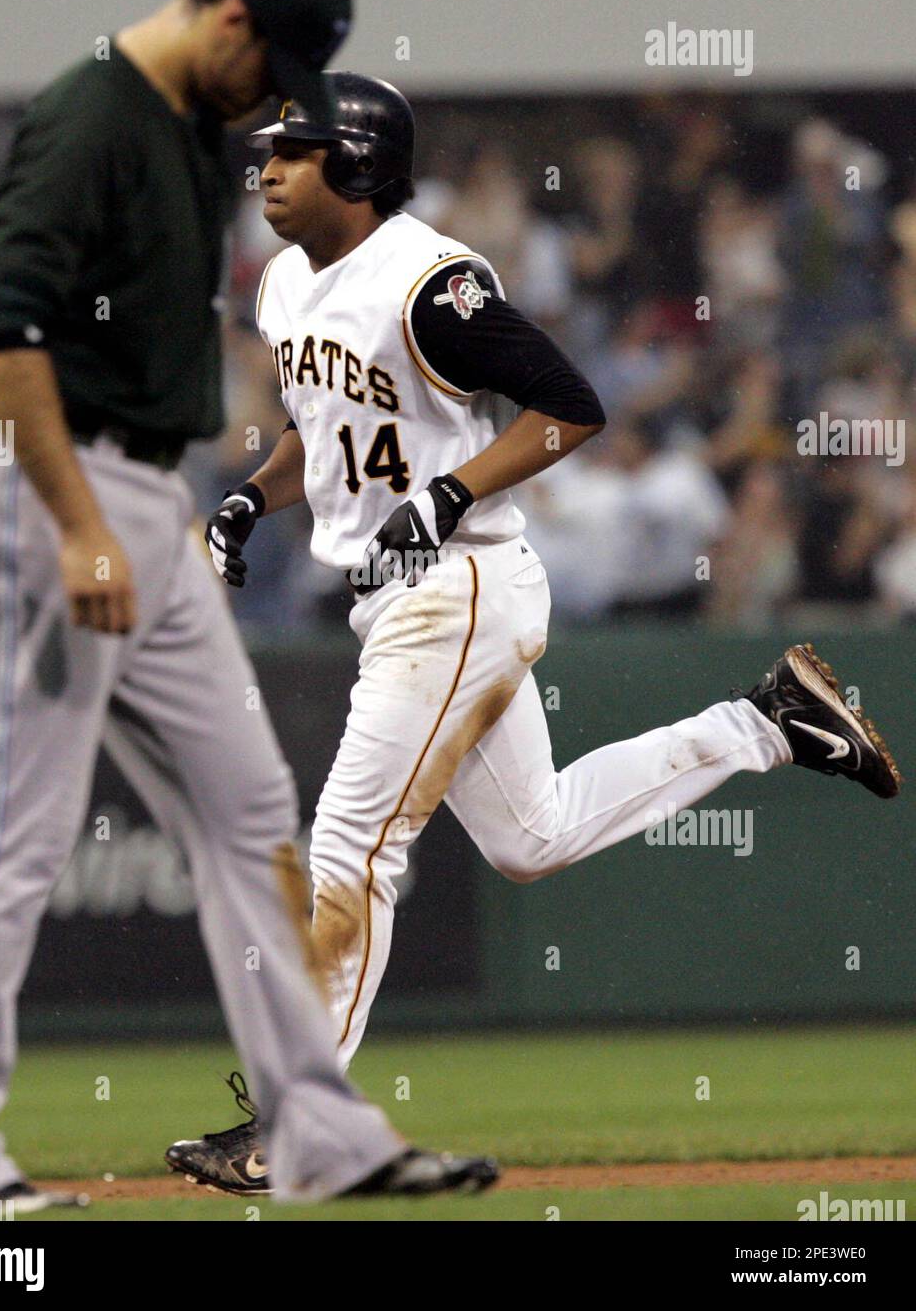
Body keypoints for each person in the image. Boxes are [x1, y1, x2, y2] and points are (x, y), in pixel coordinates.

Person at [167, 73, 901, 1195]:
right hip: (408, 598)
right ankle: (768, 723)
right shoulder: (281, 286)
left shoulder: (426, 282)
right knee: (532, 836)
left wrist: (455, 491)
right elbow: (323, 436)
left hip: (457, 587)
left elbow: (571, 401)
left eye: (297, 150)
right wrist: (243, 498)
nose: (267, 166)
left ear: (357, 168)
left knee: (352, 849)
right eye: (270, 148)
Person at [0, 0, 495, 1216]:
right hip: (43, 487)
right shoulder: (94, 114)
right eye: (271, 62)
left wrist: (148, 515)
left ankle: (321, 1138)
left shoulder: (176, 127)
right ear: (224, 15)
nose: (271, 97)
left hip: (141, 492)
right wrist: (78, 524)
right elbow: (0, 331)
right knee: (12, 835)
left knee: (248, 819)